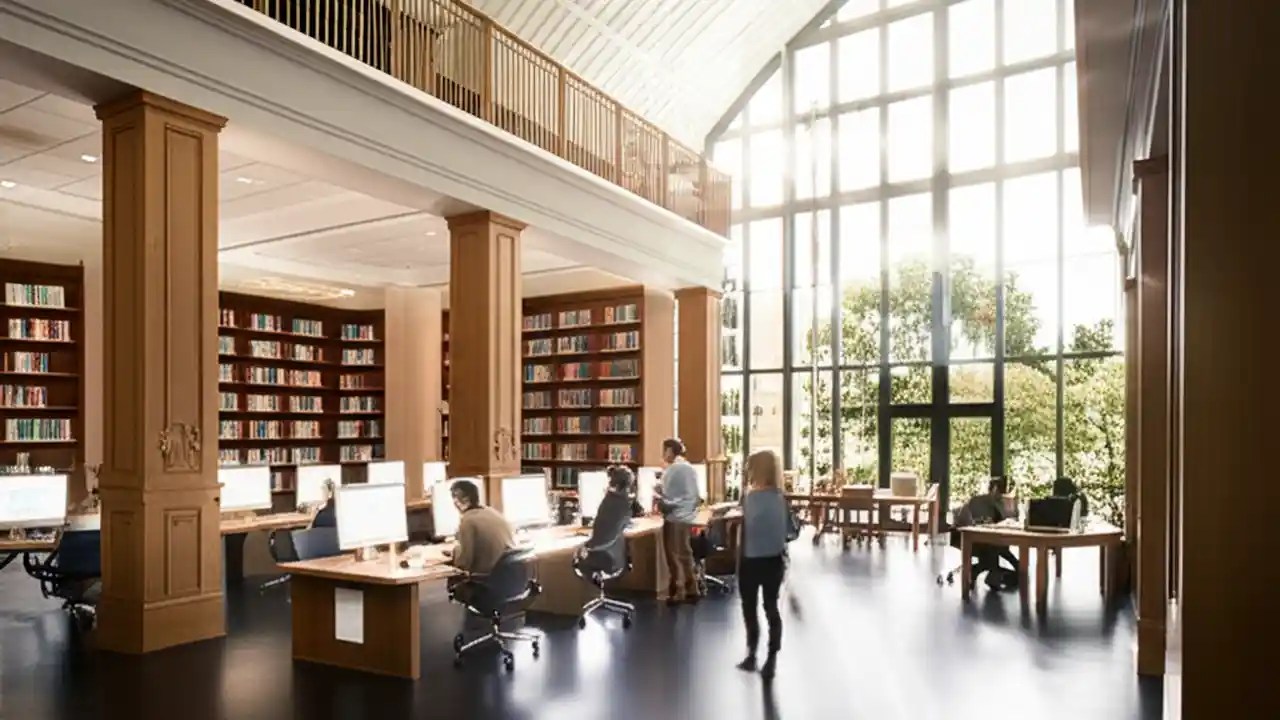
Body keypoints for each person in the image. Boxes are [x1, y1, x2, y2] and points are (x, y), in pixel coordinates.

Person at [736, 449, 789, 680]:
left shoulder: (749, 498)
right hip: (774, 560)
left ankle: (751, 654)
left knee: (749, 608)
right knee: (771, 607)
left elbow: (746, 525)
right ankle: (772, 657)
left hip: (750, 559)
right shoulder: (780, 498)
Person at [654, 437, 700, 605]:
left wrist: (657, 494)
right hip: (687, 516)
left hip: (674, 516)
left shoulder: (672, 470)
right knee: (685, 553)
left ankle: (678, 591)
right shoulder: (690, 468)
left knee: (674, 554)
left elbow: (667, 497)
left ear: (669, 451)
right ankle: (692, 587)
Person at [953, 477, 1019, 590]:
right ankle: (989, 575)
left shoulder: (1001, 503)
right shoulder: (977, 502)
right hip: (968, 537)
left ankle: (980, 571)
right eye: (999, 493)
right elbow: (968, 522)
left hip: (992, 539)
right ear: (993, 489)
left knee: (1003, 555)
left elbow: (1007, 520)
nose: (1001, 497)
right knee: (993, 551)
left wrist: (1012, 512)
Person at [446, 479, 515, 576]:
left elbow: (464, 563)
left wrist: (455, 552)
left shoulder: (468, 521)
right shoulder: (493, 513)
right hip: (508, 579)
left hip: (488, 581)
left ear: (458, 501)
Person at [578, 465, 634, 575]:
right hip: (614, 557)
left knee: (576, 555)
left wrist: (586, 544)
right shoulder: (624, 503)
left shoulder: (609, 500)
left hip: (604, 556)